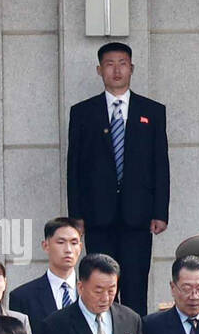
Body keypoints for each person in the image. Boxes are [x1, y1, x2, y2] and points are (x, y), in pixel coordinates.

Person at [66, 42, 170, 315]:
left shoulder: (152, 111)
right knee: (100, 286)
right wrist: (76, 216)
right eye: (110, 64)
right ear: (100, 70)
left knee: (135, 289)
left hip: (139, 216)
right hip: (97, 217)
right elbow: (74, 167)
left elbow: (161, 164)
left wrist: (161, 211)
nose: (116, 69)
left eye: (122, 63)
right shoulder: (83, 112)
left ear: (131, 68)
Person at [8, 217, 83, 334]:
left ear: (80, 247)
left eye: (74, 243)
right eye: (61, 242)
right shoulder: (23, 297)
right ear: (45, 245)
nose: (68, 249)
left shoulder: (91, 293)